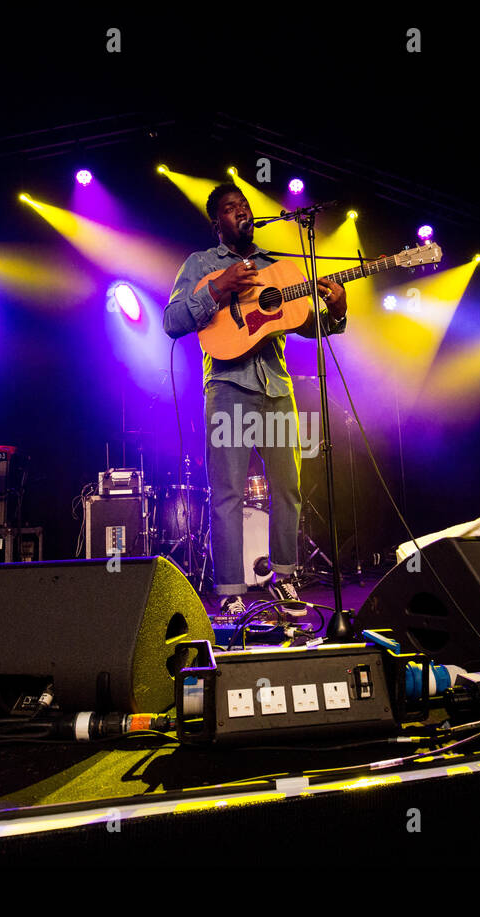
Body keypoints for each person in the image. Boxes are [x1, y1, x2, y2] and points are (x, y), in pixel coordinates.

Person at [164, 184, 348, 619]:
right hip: (227, 387)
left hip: (277, 390)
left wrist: (336, 311)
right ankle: (230, 589)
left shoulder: (279, 269)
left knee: (288, 489)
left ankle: (285, 578)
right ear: (218, 223)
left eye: (244, 205)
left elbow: (309, 325)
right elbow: (172, 321)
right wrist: (217, 289)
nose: (241, 212)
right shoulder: (201, 264)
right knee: (226, 491)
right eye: (231, 209)